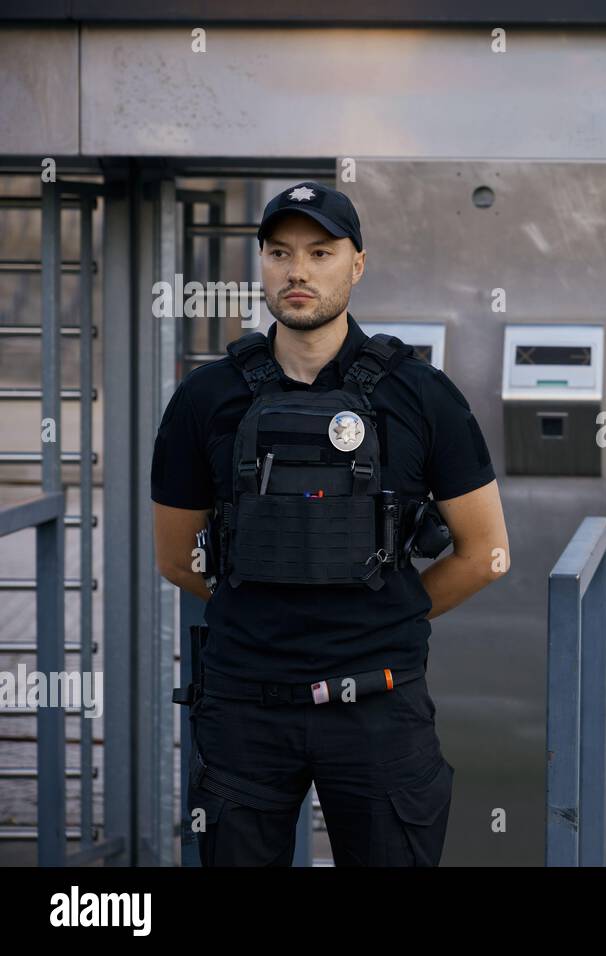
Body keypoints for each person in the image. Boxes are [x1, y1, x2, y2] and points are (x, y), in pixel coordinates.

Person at [151, 181, 509, 865]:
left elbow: (487, 552)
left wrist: (387, 619)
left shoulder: (422, 395)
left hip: (379, 709)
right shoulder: (206, 396)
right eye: (280, 253)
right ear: (260, 264)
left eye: (320, 252)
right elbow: (175, 557)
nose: (298, 271)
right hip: (243, 710)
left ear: (357, 264)